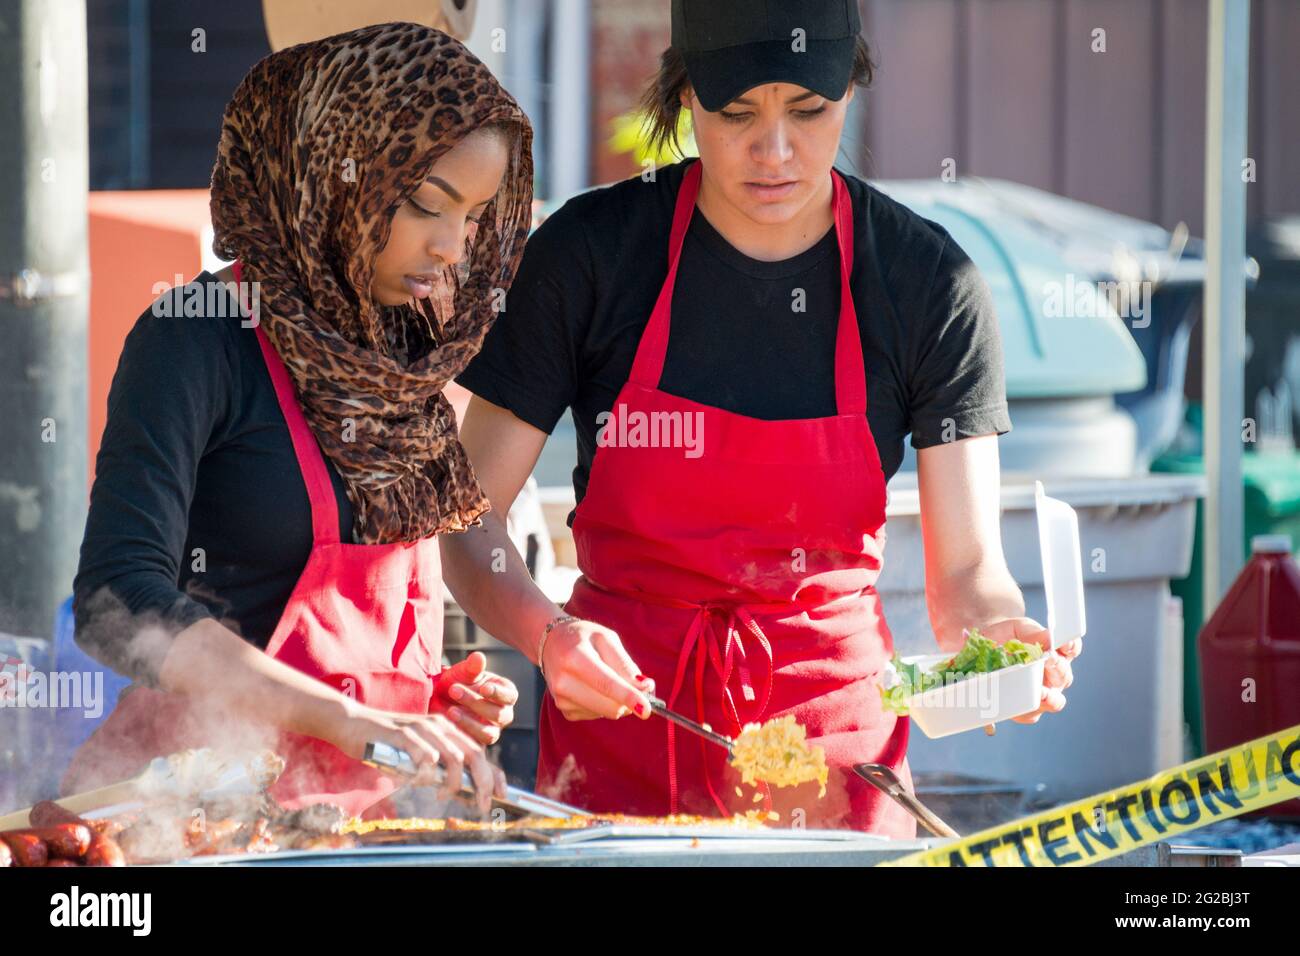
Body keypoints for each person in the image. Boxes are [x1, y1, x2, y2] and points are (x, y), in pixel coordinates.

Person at [441, 0, 1082, 833]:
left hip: (837, 762)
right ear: (686, 95)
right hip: (625, 745)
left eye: (809, 111)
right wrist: (548, 635)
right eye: (736, 112)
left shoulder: (928, 283)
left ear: (851, 86)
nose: (774, 151)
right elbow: (465, 523)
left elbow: (964, 575)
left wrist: (1001, 643)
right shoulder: (593, 253)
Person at [66, 23, 534, 818]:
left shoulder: (404, 357)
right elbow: (120, 598)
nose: (453, 247)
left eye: (475, 214)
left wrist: (430, 700)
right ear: (334, 172)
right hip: (186, 820)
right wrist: (342, 716)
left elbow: (380, 635)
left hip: (353, 829)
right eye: (427, 204)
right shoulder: (197, 335)